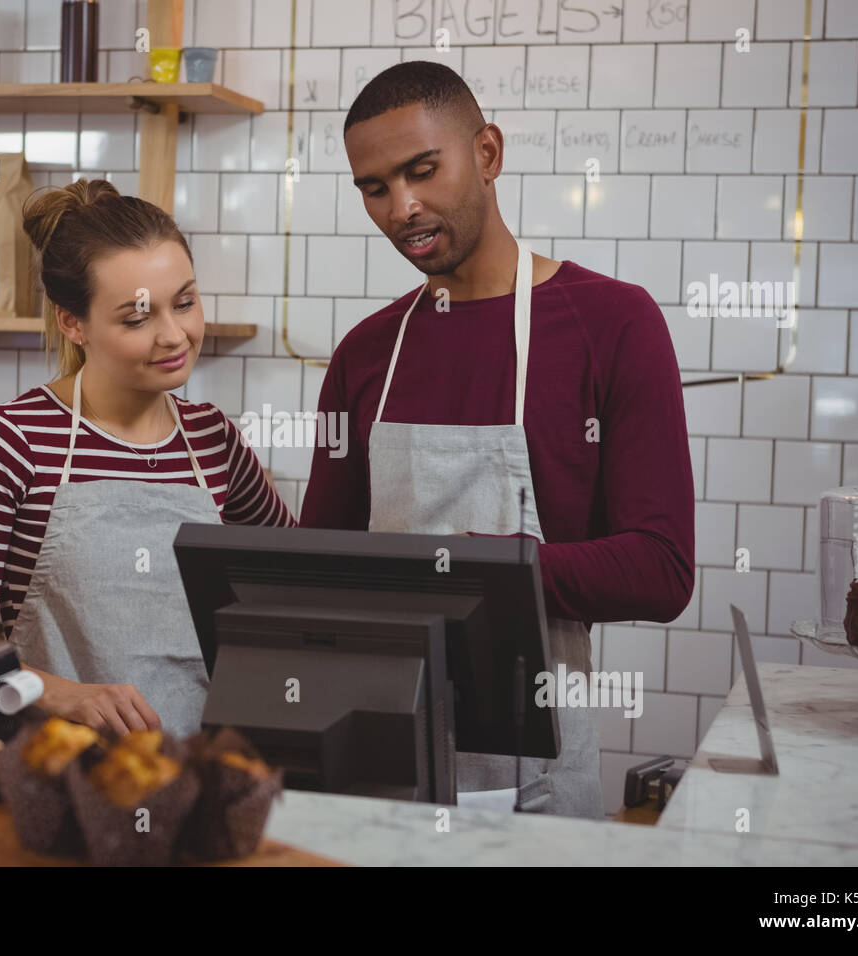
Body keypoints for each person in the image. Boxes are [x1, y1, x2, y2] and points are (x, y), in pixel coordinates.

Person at [300, 61, 694, 818]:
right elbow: (324, 558)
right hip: (379, 759)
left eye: (422, 171)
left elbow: (661, 566)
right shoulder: (364, 354)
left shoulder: (613, 323)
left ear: (487, 153)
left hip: (536, 771)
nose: (402, 208)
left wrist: (482, 572)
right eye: (374, 188)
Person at [0, 179, 294, 738]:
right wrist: (63, 696)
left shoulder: (214, 441)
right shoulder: (6, 443)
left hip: (199, 773)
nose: (174, 336)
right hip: (50, 773)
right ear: (73, 323)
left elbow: (292, 588)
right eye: (137, 318)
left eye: (186, 303)